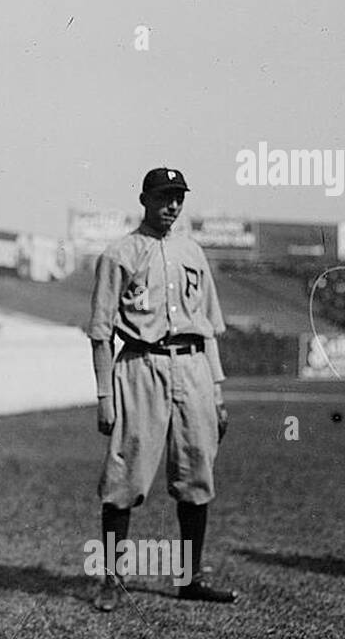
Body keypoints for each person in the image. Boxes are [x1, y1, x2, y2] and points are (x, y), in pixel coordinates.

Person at [85, 168, 237, 611]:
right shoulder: (119, 254)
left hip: (193, 368)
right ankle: (112, 580)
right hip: (140, 365)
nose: (172, 205)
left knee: (196, 474)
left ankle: (190, 578)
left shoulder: (193, 251)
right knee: (124, 477)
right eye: (164, 196)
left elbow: (208, 327)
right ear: (144, 199)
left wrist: (219, 392)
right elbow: (100, 332)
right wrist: (103, 396)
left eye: (178, 197)